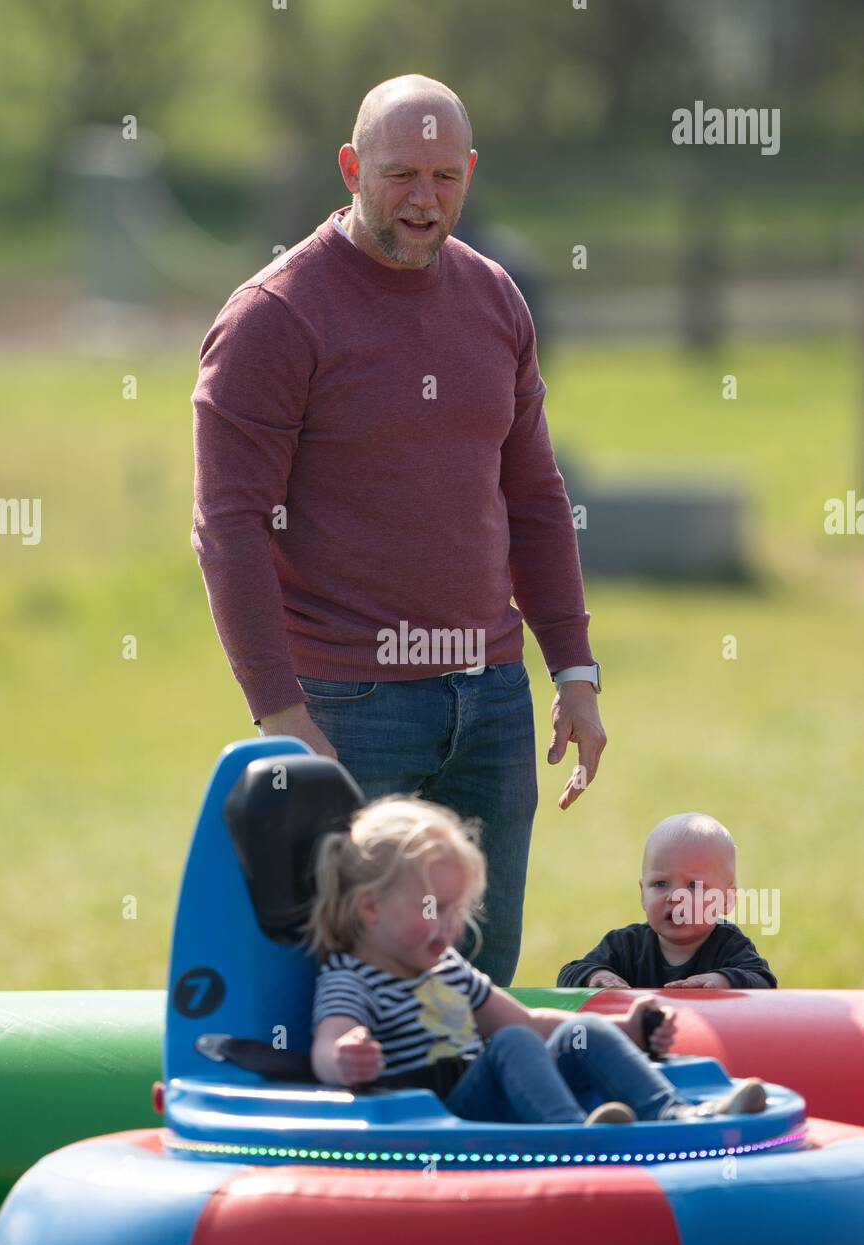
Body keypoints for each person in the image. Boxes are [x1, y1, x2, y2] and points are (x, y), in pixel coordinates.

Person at [191, 73, 606, 987]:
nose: (424, 200)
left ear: (469, 173)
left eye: (445, 177)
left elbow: (534, 494)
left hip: (493, 700)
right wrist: (281, 714)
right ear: (350, 168)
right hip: (345, 708)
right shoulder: (274, 317)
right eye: (400, 175)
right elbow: (228, 528)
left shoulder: (496, 299)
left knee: (476, 984)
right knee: (344, 983)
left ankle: (463, 1131)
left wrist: (571, 669)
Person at [305, 796, 767, 1125]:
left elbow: (526, 1021)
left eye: (457, 910)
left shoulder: (447, 968)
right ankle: (571, 1134)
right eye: (434, 909)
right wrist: (343, 1056)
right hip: (441, 1116)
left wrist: (623, 1028)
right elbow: (330, 1041)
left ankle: (673, 1112)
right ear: (370, 907)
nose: (451, 927)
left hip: (488, 1095)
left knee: (579, 1030)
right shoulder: (353, 978)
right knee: (508, 1045)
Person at [558, 813, 778, 990]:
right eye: (661, 883)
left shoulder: (729, 946)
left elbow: (764, 983)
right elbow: (568, 974)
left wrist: (723, 980)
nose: (675, 897)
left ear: (727, 900)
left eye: (695, 886)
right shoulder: (626, 945)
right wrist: (596, 976)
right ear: (643, 894)